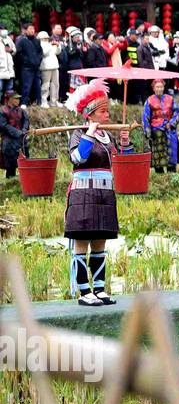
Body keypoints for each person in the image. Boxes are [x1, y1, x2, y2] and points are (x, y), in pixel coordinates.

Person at [64, 79, 134, 306]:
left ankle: (100, 289)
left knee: (100, 243)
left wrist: (125, 142)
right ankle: (85, 292)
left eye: (107, 111)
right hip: (83, 197)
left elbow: (120, 161)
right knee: (82, 242)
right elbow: (77, 158)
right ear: (90, 115)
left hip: (104, 196)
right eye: (103, 112)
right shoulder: (78, 133)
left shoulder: (108, 136)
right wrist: (89, 135)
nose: (107, 116)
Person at [141, 78, 179, 174]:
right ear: (153, 88)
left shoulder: (170, 99)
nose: (159, 89)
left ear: (164, 88)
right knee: (158, 157)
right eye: (157, 87)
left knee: (171, 154)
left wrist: (171, 123)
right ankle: (160, 175)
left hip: (169, 130)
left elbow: (177, 112)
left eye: (161, 87)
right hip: (156, 132)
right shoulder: (149, 101)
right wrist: (148, 132)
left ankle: (172, 174)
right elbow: (145, 117)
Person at [1, 88, 27, 178]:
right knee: (10, 163)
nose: (18, 100)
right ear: (9, 99)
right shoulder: (2, 111)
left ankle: (22, 180)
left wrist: (24, 130)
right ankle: (10, 180)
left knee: (23, 161)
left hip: (20, 141)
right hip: (8, 141)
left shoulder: (21, 110)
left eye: (18, 98)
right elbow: (3, 126)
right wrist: (17, 132)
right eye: (15, 98)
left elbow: (26, 121)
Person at [38, 32, 60, 107]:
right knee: (45, 85)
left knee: (56, 84)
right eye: (44, 38)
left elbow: (57, 52)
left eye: (47, 38)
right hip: (46, 67)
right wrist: (50, 45)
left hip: (55, 66)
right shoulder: (40, 44)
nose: (46, 39)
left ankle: (54, 101)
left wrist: (57, 46)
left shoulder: (49, 45)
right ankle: (44, 101)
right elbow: (44, 53)